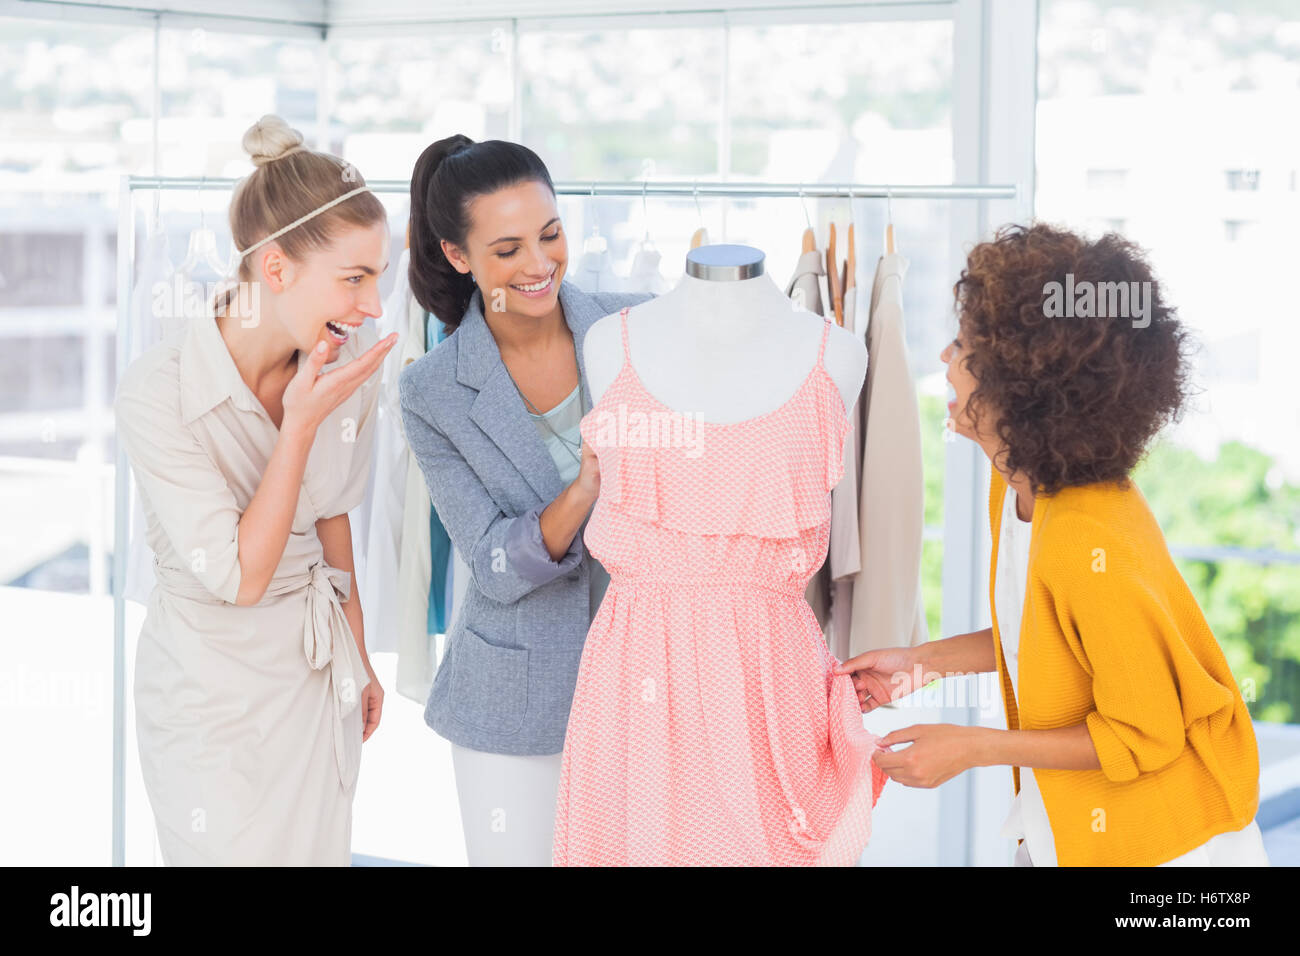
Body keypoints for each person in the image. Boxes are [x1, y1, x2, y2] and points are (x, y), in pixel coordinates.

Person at [836, 222, 1268, 867]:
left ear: (1024, 387)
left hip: (1165, 853)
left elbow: (1141, 736)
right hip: (1066, 828)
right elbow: (1042, 639)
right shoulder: (1016, 484)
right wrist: (920, 664)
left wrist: (974, 746)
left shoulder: (1092, 540)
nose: (945, 360)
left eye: (964, 347)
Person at [114, 114, 398, 865]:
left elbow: (333, 514)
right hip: (210, 699)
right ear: (275, 270)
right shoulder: (159, 392)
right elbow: (240, 576)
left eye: (379, 278)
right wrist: (300, 424)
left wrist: (360, 652)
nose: (372, 306)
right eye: (355, 278)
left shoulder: (345, 352)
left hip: (313, 681)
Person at [398, 135, 653, 866]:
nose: (539, 266)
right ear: (459, 257)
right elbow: (492, 566)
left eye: (550, 235)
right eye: (508, 249)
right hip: (510, 701)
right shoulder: (432, 391)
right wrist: (583, 491)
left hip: (647, 677)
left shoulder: (637, 330)